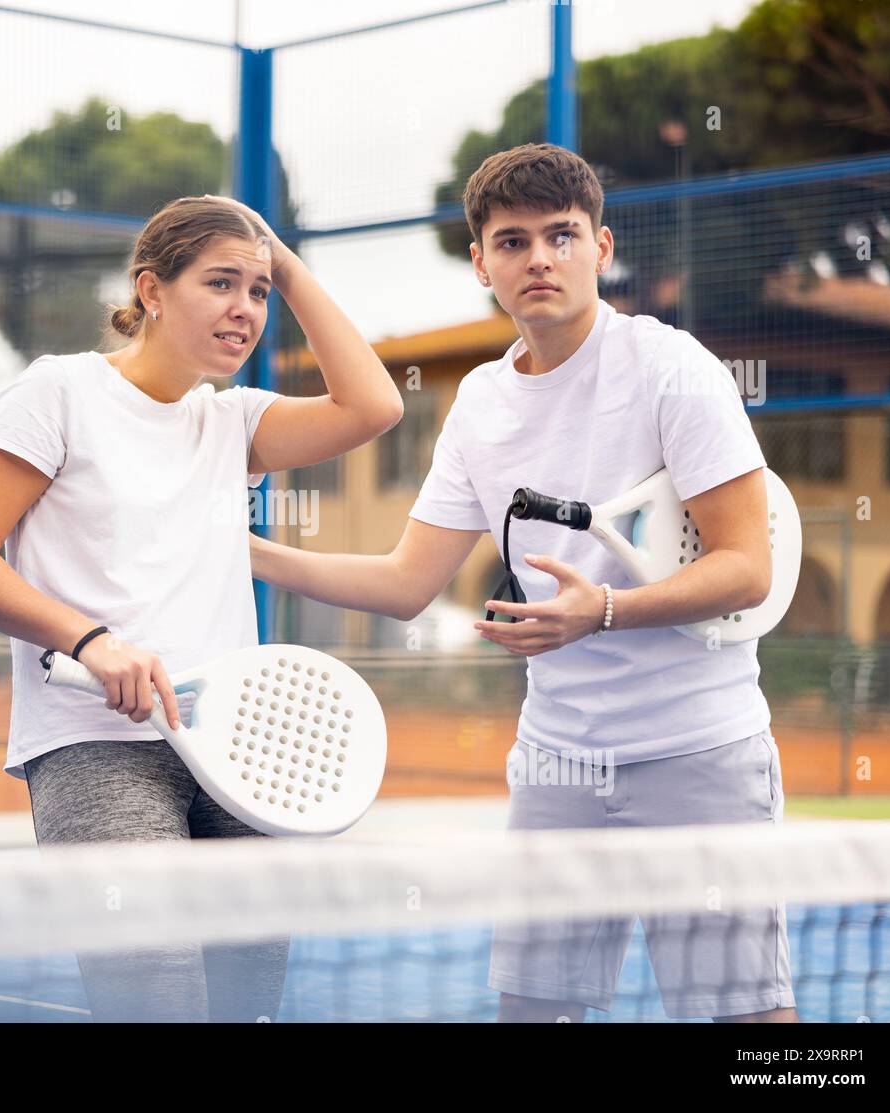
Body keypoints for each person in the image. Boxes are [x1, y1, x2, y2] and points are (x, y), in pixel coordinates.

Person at [249, 144, 797, 1023]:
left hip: (698, 753)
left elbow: (746, 567)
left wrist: (604, 611)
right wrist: (245, 550)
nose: (538, 257)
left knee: (744, 1024)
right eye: (511, 242)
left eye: (561, 235)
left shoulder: (672, 367)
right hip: (558, 765)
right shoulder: (477, 403)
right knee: (534, 1014)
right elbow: (403, 580)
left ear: (600, 246)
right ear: (481, 263)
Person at [0, 194, 403, 1021]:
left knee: (246, 1005)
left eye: (257, 292)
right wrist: (92, 642)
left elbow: (375, 407)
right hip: (96, 747)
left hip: (242, 751)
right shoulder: (57, 393)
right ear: (150, 289)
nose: (244, 310)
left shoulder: (233, 419)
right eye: (220, 283)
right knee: (158, 1002)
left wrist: (281, 261)